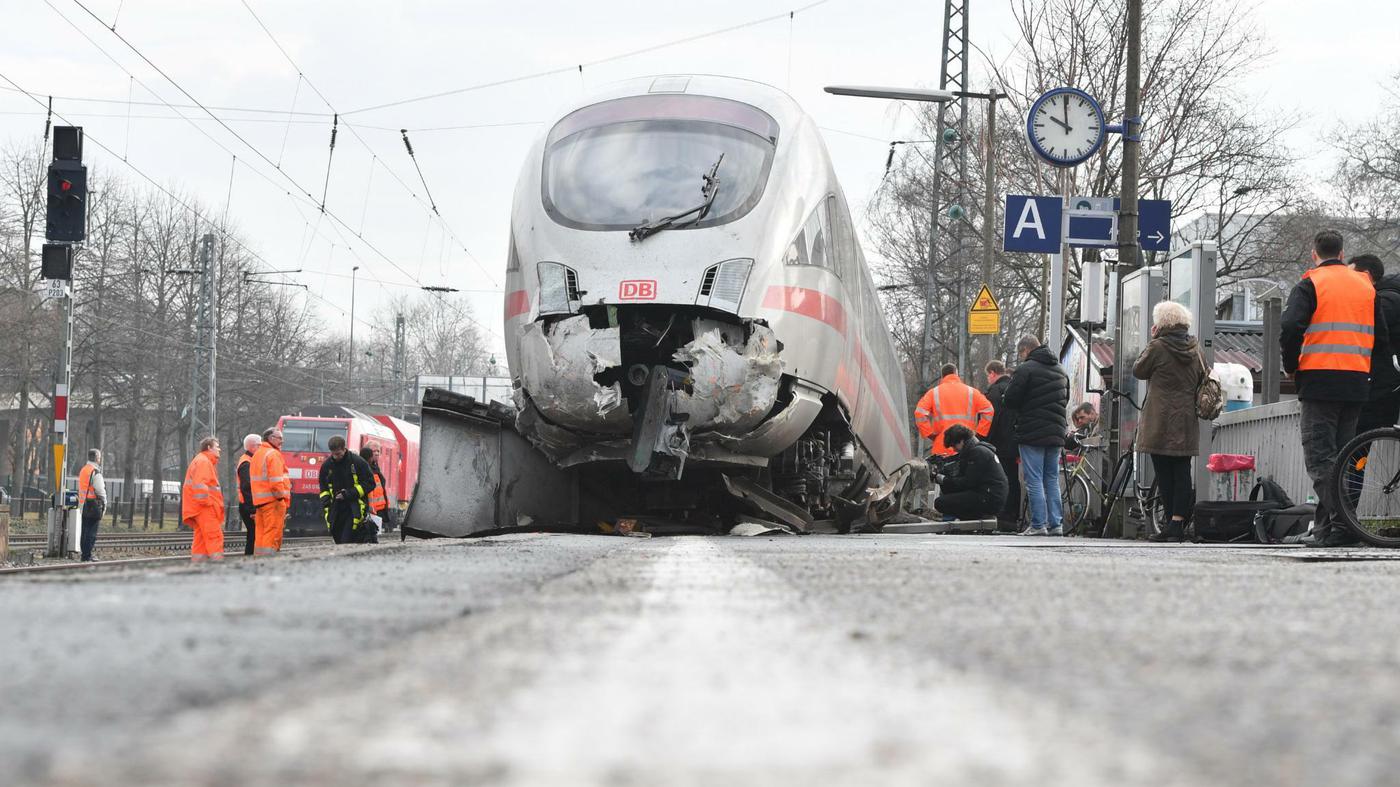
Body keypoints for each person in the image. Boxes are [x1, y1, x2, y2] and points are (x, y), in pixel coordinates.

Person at [1282, 229, 1383, 547]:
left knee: (1321, 459)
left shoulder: (1311, 283)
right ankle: (1328, 530)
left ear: (1315, 253)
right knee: (1344, 458)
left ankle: (1345, 525)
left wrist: (1291, 364)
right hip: (1355, 382)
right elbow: (1380, 336)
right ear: (1341, 254)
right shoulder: (1365, 285)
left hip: (1320, 380)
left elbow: (1289, 326)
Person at [1132, 301, 1207, 543]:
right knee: (1182, 470)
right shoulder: (1196, 349)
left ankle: (1171, 527)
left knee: (1164, 471)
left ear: (1161, 323)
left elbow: (1138, 370)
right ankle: (1177, 523)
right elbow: (1204, 378)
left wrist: (1152, 340)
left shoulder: (1158, 347)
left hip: (1160, 418)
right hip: (1185, 418)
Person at [1003, 334, 1070, 536]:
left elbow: (1011, 399)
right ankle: (1056, 524)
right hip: (1056, 432)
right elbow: (1064, 400)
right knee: (1051, 478)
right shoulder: (1060, 370)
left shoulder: (1025, 369)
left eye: (1020, 353)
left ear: (1025, 350)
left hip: (1032, 432)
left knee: (1034, 479)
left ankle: (1038, 524)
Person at [1348, 254, 1400, 432]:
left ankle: (1352, 461)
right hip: (1384, 384)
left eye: (1351, 276)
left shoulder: (1386, 302)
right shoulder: (1388, 297)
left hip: (1381, 385)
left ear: (1367, 275)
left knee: (1358, 441)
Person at [914, 363, 995, 457]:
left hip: (943, 445)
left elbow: (919, 413)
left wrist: (929, 434)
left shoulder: (934, 393)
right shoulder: (971, 392)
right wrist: (979, 433)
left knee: (942, 471)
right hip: (966, 445)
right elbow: (989, 410)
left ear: (942, 376)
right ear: (956, 374)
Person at [932, 424, 1009, 520]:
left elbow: (968, 482)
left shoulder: (978, 453)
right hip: (989, 494)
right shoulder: (977, 450)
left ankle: (980, 519)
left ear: (961, 441)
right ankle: (976, 519)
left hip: (989, 498)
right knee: (950, 494)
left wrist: (944, 480)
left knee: (940, 502)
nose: (954, 449)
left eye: (954, 445)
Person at [983, 359, 1021, 530]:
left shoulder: (994, 391)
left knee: (999, 479)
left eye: (987, 376)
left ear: (992, 373)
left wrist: (984, 442)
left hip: (998, 443)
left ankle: (1002, 515)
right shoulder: (1014, 388)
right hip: (1015, 442)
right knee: (1013, 479)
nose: (988, 380)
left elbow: (990, 419)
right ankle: (1014, 515)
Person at [319, 435, 378, 544]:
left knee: (347, 539)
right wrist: (327, 508)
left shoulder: (358, 462)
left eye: (338, 454)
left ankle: (346, 559)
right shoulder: (326, 466)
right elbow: (324, 490)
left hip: (354, 507)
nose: (336, 457)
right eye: (333, 454)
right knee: (338, 538)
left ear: (344, 448)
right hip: (336, 508)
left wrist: (349, 494)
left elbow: (370, 483)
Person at [180, 436, 225, 562]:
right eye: (217, 447)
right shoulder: (204, 462)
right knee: (214, 537)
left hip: (199, 508)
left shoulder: (201, 460)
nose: (219, 449)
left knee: (201, 541)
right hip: (205, 508)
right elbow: (200, 485)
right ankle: (218, 567)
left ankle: (198, 567)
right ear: (209, 448)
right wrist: (208, 503)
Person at [250, 428, 291, 555]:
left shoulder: (258, 454)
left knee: (261, 534)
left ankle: (259, 560)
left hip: (260, 503)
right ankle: (269, 561)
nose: (282, 441)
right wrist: (280, 498)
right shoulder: (273, 454)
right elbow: (276, 481)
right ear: (271, 438)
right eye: (280, 438)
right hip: (273, 502)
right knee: (272, 533)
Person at [76, 448, 107, 562]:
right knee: (91, 533)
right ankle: (87, 555)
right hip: (93, 505)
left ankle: (84, 555)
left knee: (84, 531)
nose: (100, 460)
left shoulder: (84, 470)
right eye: (99, 458)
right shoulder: (95, 472)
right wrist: (105, 504)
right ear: (97, 458)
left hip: (83, 504)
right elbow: (100, 491)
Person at [235, 433, 261, 556]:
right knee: (253, 534)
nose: (261, 447)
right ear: (252, 447)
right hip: (248, 505)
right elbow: (247, 487)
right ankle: (250, 557)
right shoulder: (247, 463)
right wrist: (252, 509)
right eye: (259, 445)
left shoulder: (249, 461)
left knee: (253, 534)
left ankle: (250, 557)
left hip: (248, 504)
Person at [359, 445, 390, 533]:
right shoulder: (366, 468)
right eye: (373, 451)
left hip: (377, 507)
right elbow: (369, 488)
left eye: (378, 451)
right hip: (370, 506)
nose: (376, 454)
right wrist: (371, 505)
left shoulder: (375, 467)